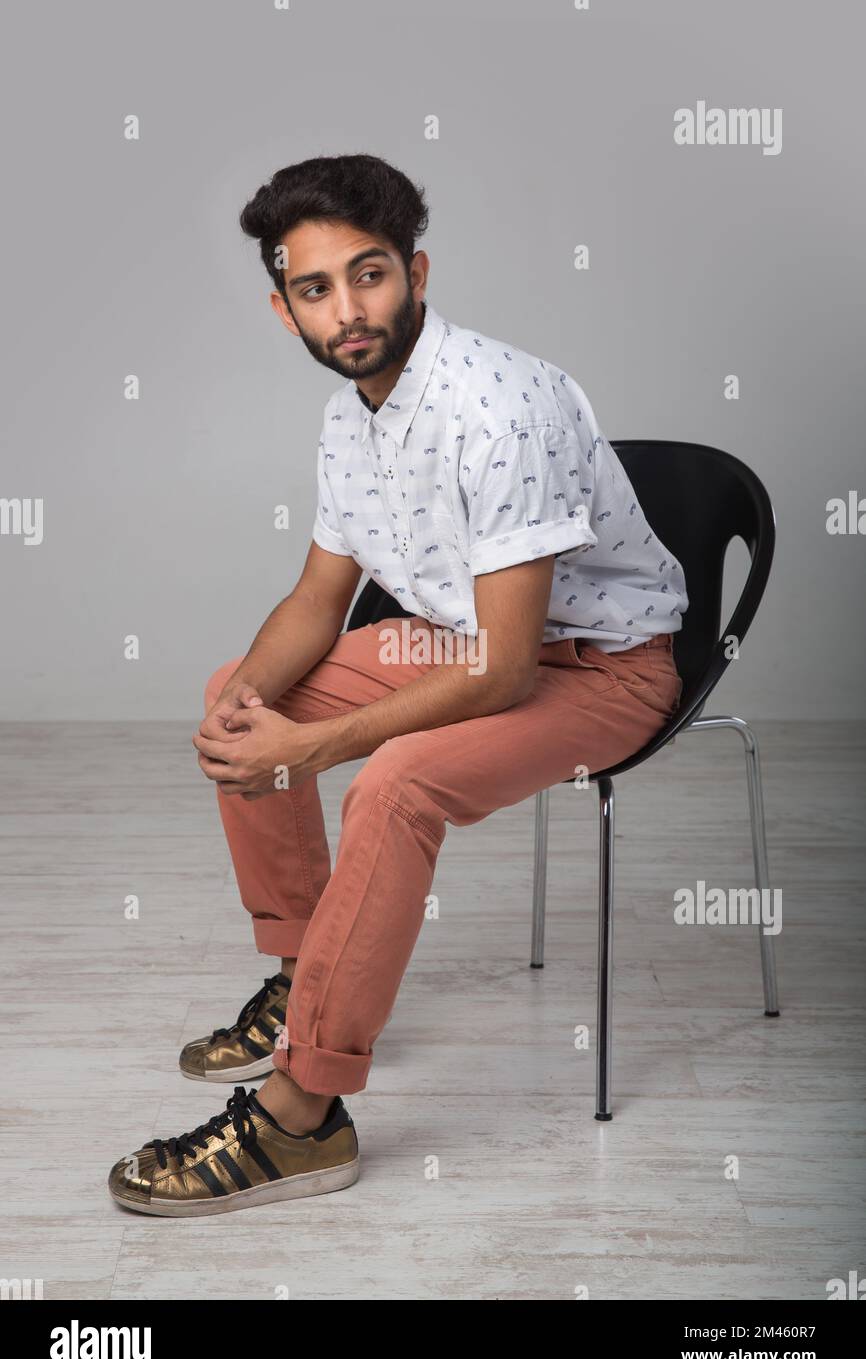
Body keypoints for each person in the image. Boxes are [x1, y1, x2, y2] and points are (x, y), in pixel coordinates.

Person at [108, 153, 688, 1216]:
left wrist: (310, 748)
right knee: (239, 686)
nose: (348, 309)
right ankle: (302, 976)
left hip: (603, 669)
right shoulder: (350, 416)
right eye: (316, 289)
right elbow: (314, 601)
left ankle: (302, 1115)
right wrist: (247, 706)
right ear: (283, 310)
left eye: (368, 275)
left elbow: (506, 669)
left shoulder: (497, 405)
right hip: (451, 644)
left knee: (395, 782)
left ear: (416, 271)